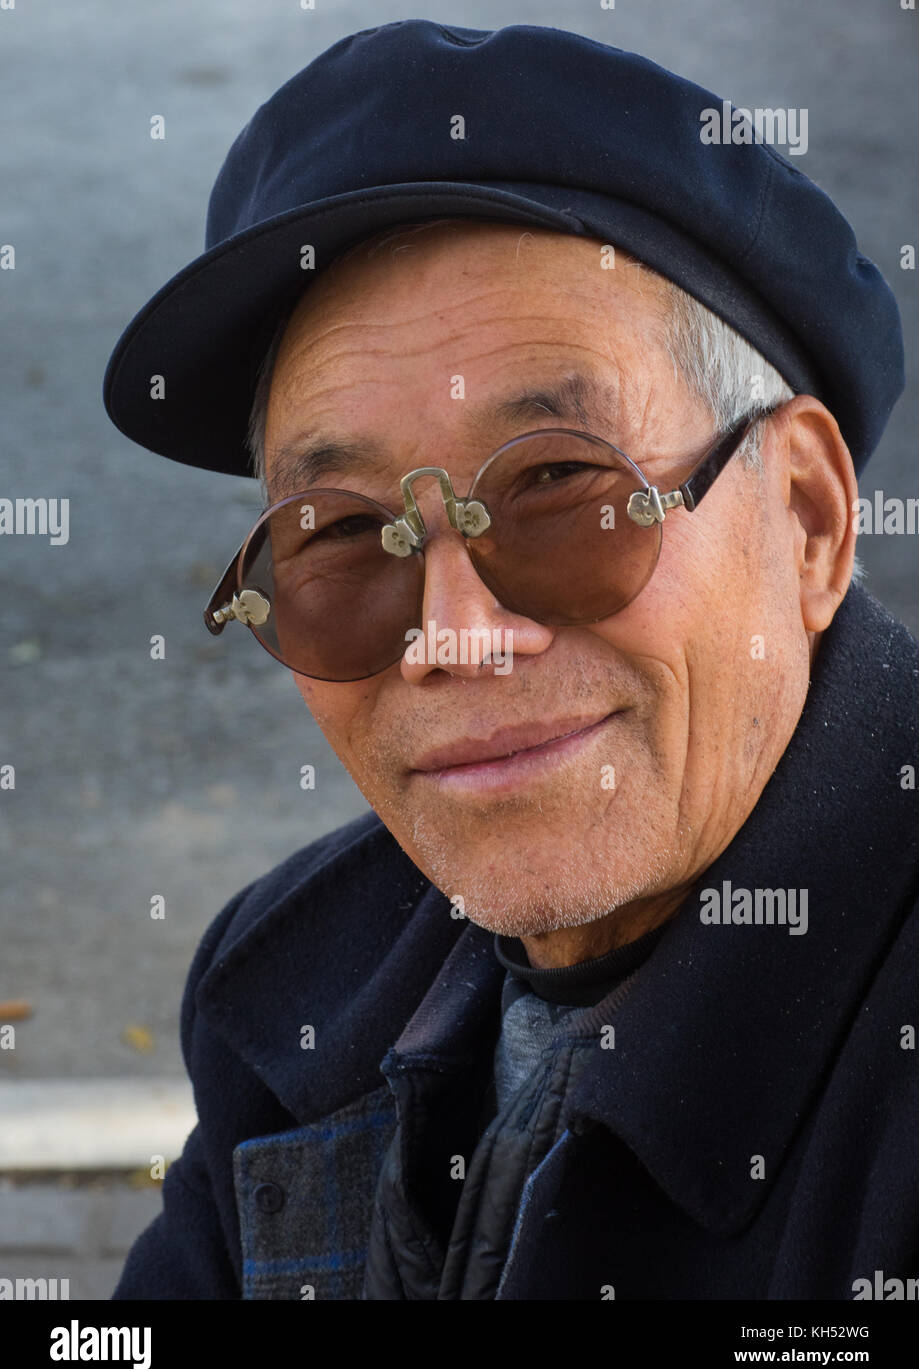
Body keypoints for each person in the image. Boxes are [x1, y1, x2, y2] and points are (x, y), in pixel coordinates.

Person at [103, 20, 919, 1300]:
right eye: (344, 537)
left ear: (808, 518)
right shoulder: (302, 985)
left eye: (558, 488)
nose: (456, 637)